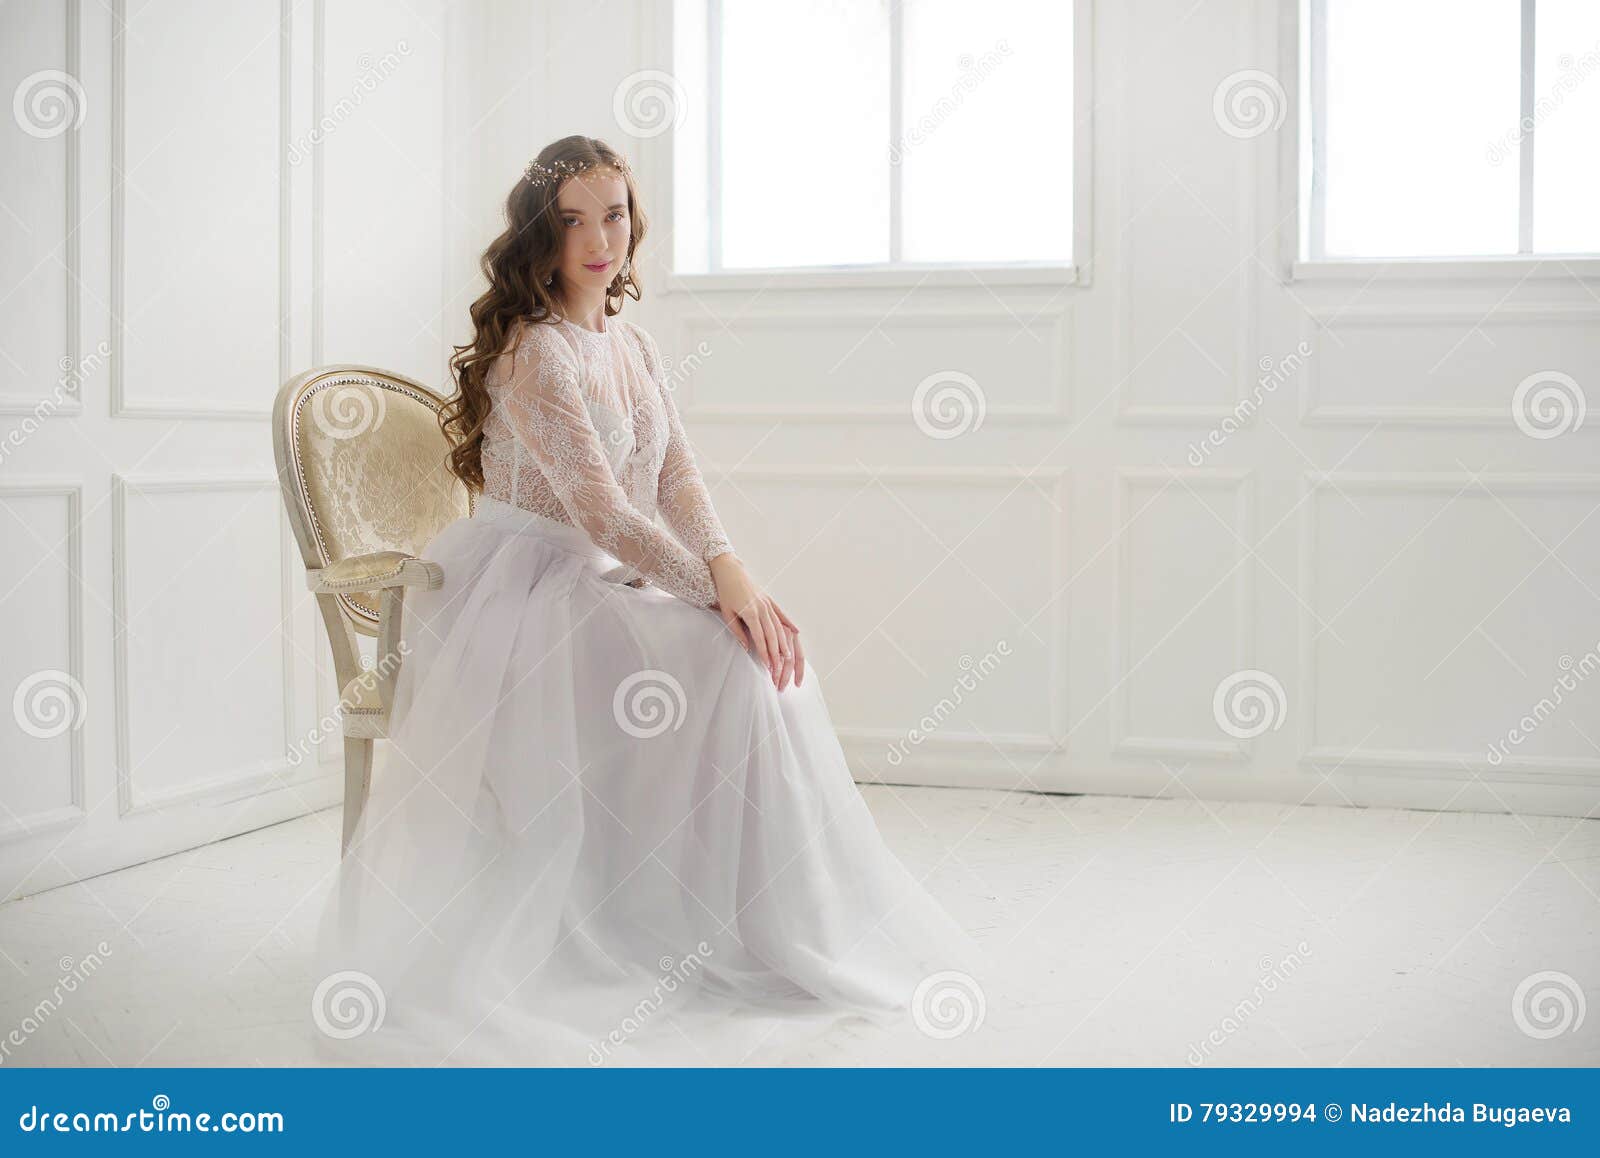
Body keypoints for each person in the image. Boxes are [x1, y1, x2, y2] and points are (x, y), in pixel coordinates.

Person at [311, 135, 988, 1066]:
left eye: (616, 215)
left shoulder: (630, 343)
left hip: (594, 579)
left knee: (759, 665)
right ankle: (689, 924)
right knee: (725, 658)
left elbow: (674, 474)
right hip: (522, 595)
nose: (600, 239)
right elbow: (599, 507)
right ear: (541, 237)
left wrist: (732, 570)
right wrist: (713, 598)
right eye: (575, 220)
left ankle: (762, 924)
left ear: (636, 222)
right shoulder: (536, 353)